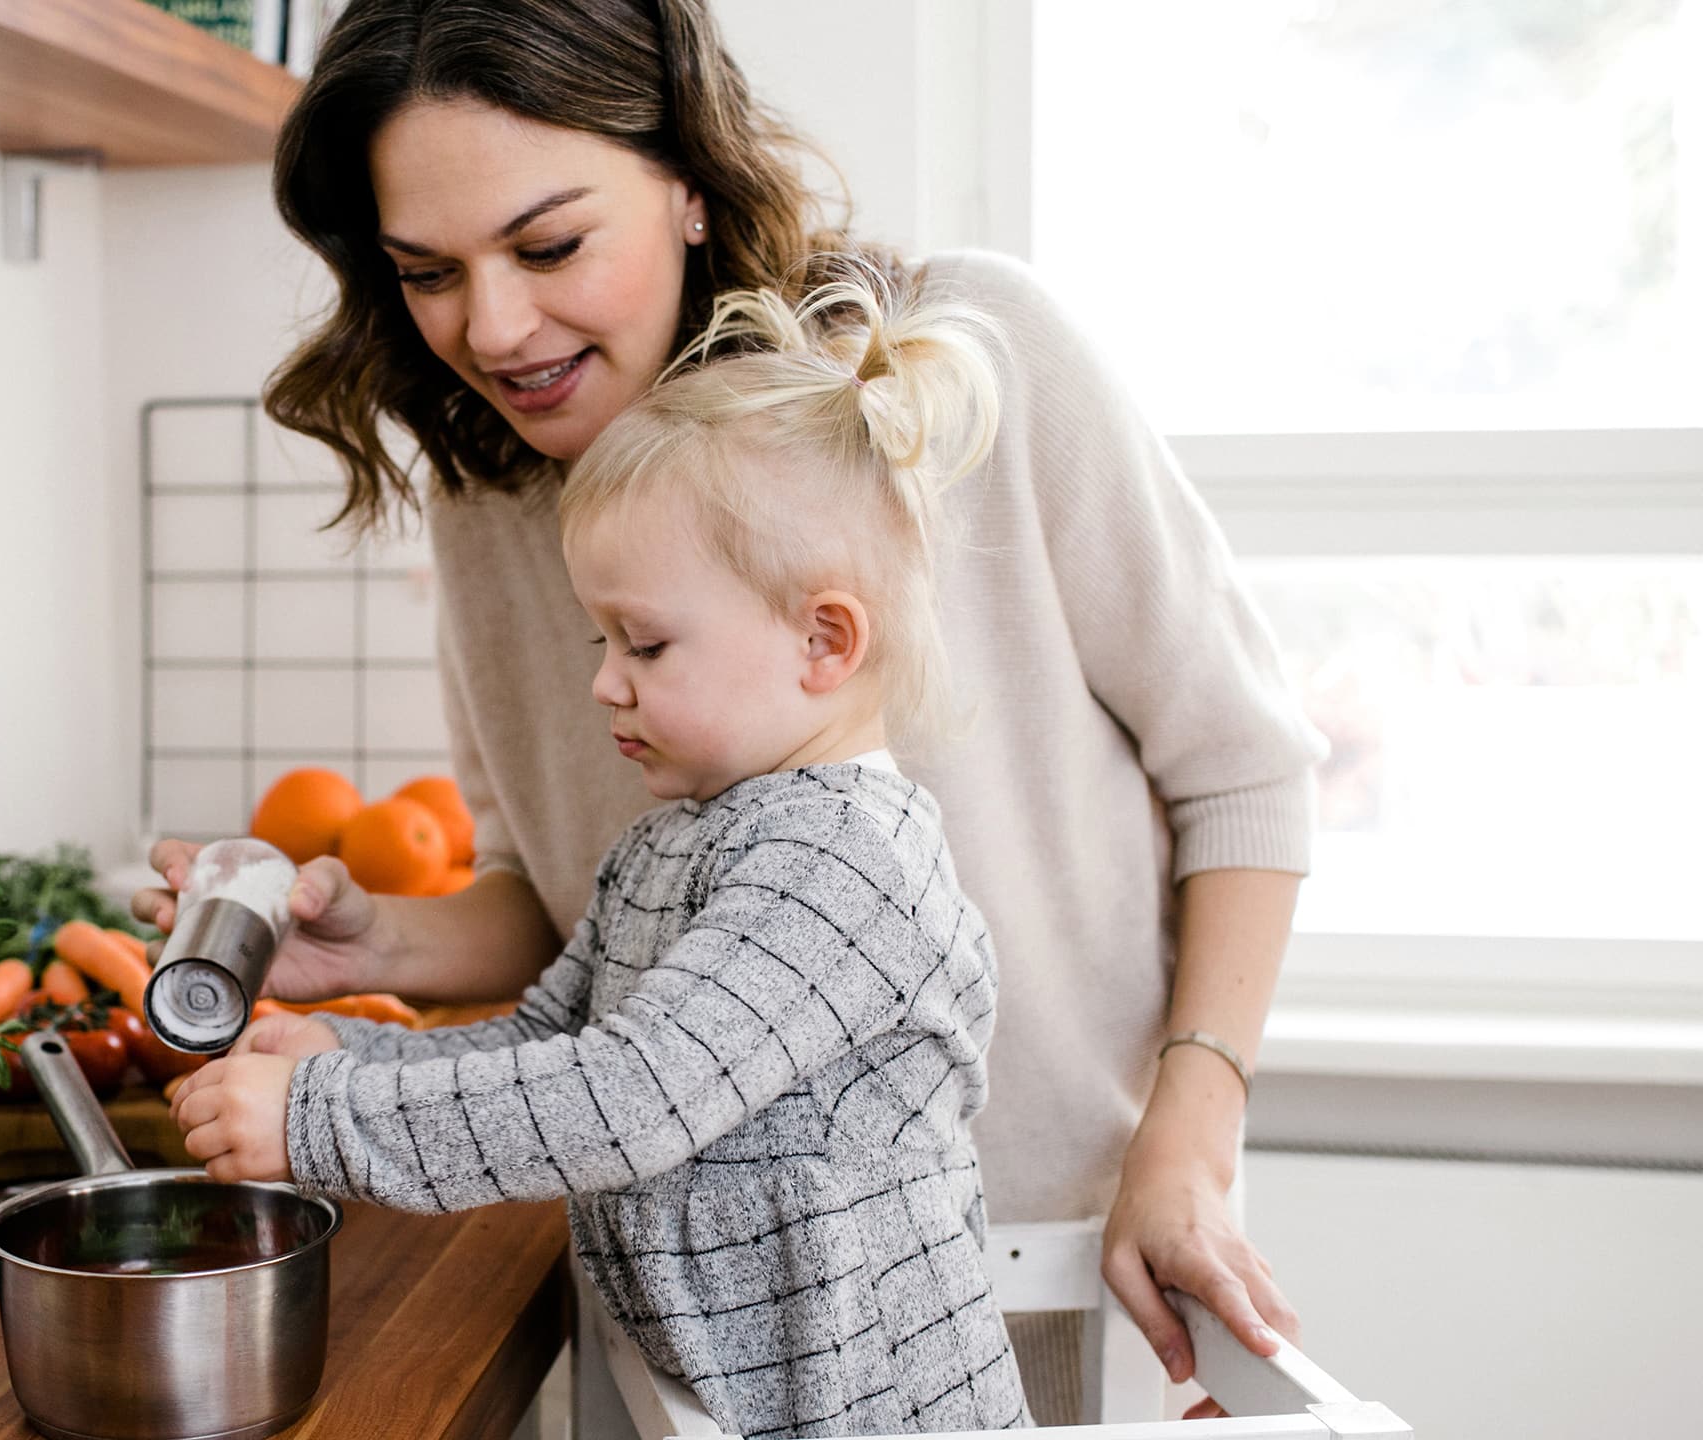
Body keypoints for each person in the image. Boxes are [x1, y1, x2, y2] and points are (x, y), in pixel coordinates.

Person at [138, 0, 1326, 1420]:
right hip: (692, 1288)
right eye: (427, 272)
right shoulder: (496, 488)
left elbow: (1245, 773)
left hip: (1041, 1254)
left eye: (550, 243)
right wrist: (377, 949)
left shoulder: (961, 358)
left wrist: (1188, 1137)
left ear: (689, 178)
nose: (496, 327)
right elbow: (573, 898)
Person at [178, 270, 1027, 1436]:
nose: (602, 681)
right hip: (727, 1398)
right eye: (601, 635)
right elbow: (550, 1042)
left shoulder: (842, 866)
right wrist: (353, 1053)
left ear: (823, 640)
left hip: (860, 1410)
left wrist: (322, 1118)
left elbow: (630, 1098)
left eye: (647, 642)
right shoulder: (674, 842)